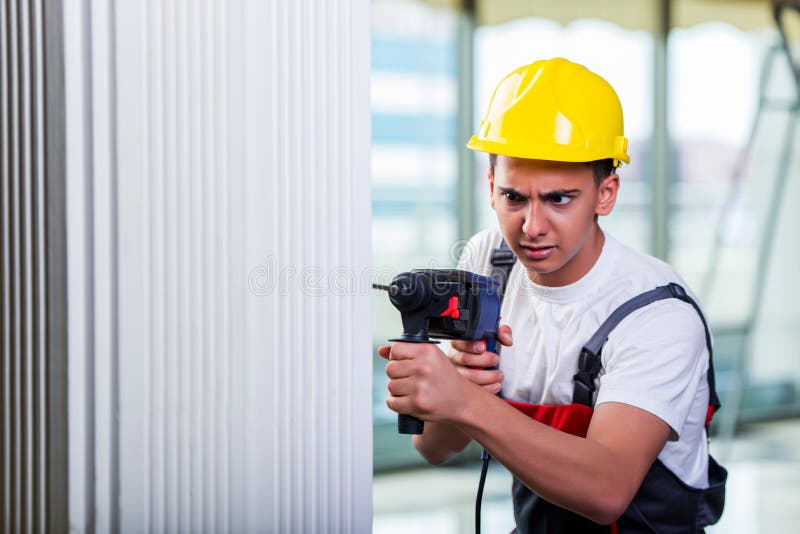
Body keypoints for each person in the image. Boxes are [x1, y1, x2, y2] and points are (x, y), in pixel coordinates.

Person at [378, 57, 726, 532]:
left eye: (559, 198)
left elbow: (607, 491)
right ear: (491, 186)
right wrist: (445, 384)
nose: (532, 228)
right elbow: (435, 448)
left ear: (606, 193)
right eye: (514, 197)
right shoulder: (491, 262)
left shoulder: (657, 313)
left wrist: (462, 399)